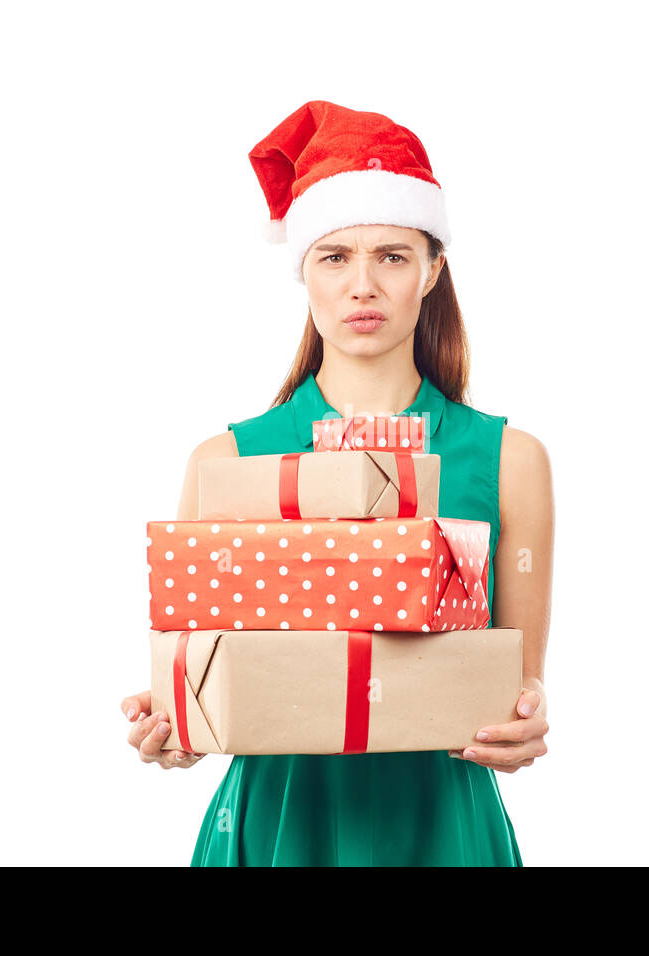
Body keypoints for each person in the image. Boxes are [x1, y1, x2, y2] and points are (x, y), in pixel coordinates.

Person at [121, 101, 554, 866]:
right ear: (303, 272)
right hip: (278, 825)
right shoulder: (224, 463)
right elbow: (195, 689)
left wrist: (522, 724)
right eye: (334, 257)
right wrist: (176, 733)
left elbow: (517, 691)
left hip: (441, 827)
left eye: (392, 256)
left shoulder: (510, 461)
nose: (364, 285)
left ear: (432, 270)